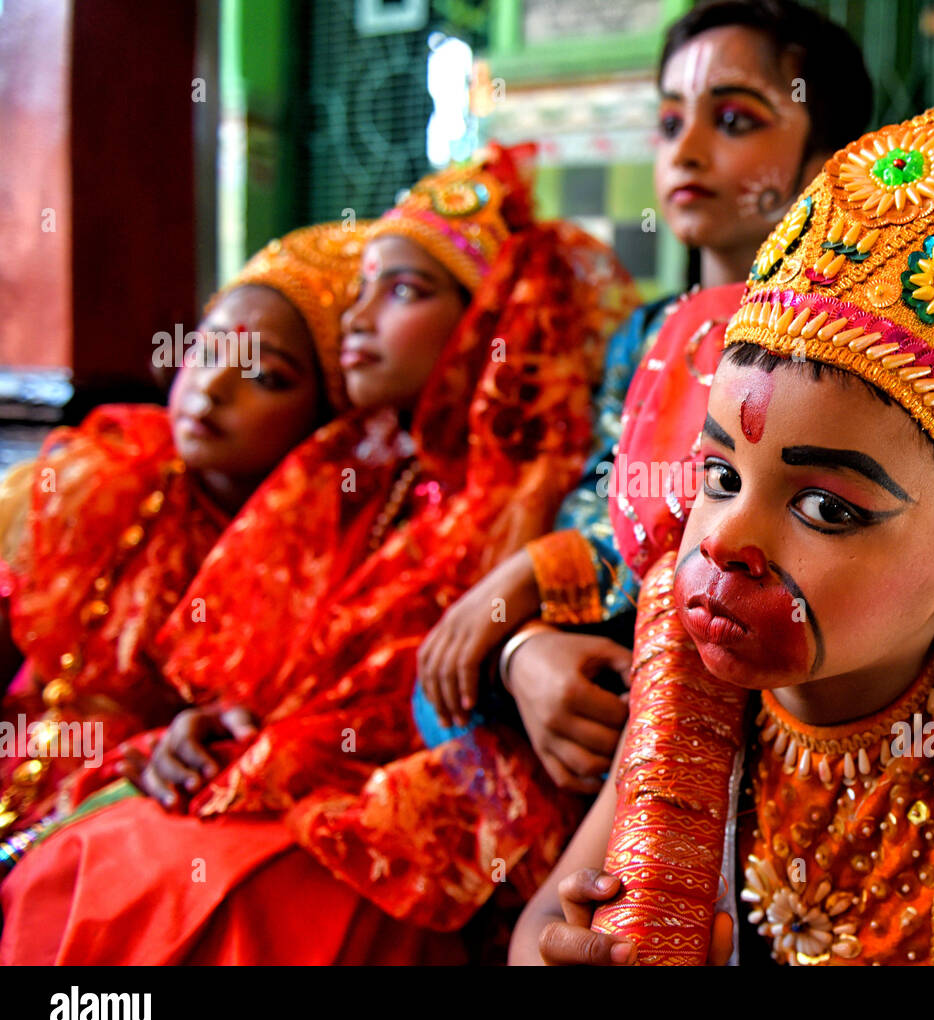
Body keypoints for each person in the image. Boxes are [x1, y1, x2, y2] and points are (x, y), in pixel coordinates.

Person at [512, 93, 934, 966]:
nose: (722, 541)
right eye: (719, 477)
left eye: (826, 507)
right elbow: (534, 934)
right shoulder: (694, 702)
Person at [0, 144, 639, 964]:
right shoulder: (352, 466)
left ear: (495, 319)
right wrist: (210, 729)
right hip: (289, 789)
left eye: (404, 290)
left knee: (173, 889)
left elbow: (458, 717)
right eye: (362, 288)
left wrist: (511, 642)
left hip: (420, 820)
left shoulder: (534, 482)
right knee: (87, 859)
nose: (360, 318)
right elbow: (261, 682)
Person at [417, 0, 874, 796]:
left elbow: (699, 523)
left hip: (735, 656)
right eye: (669, 123)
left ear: (825, 162)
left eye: (734, 121)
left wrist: (525, 584)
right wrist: (525, 646)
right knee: (443, 683)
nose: (688, 149)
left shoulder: (837, 346)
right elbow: (607, 493)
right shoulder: (645, 330)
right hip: (605, 628)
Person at [0, 221, 364, 850]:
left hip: (139, 823)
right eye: (206, 349)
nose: (213, 388)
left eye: (266, 377)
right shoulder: (99, 483)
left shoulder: (331, 556)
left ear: (327, 417)